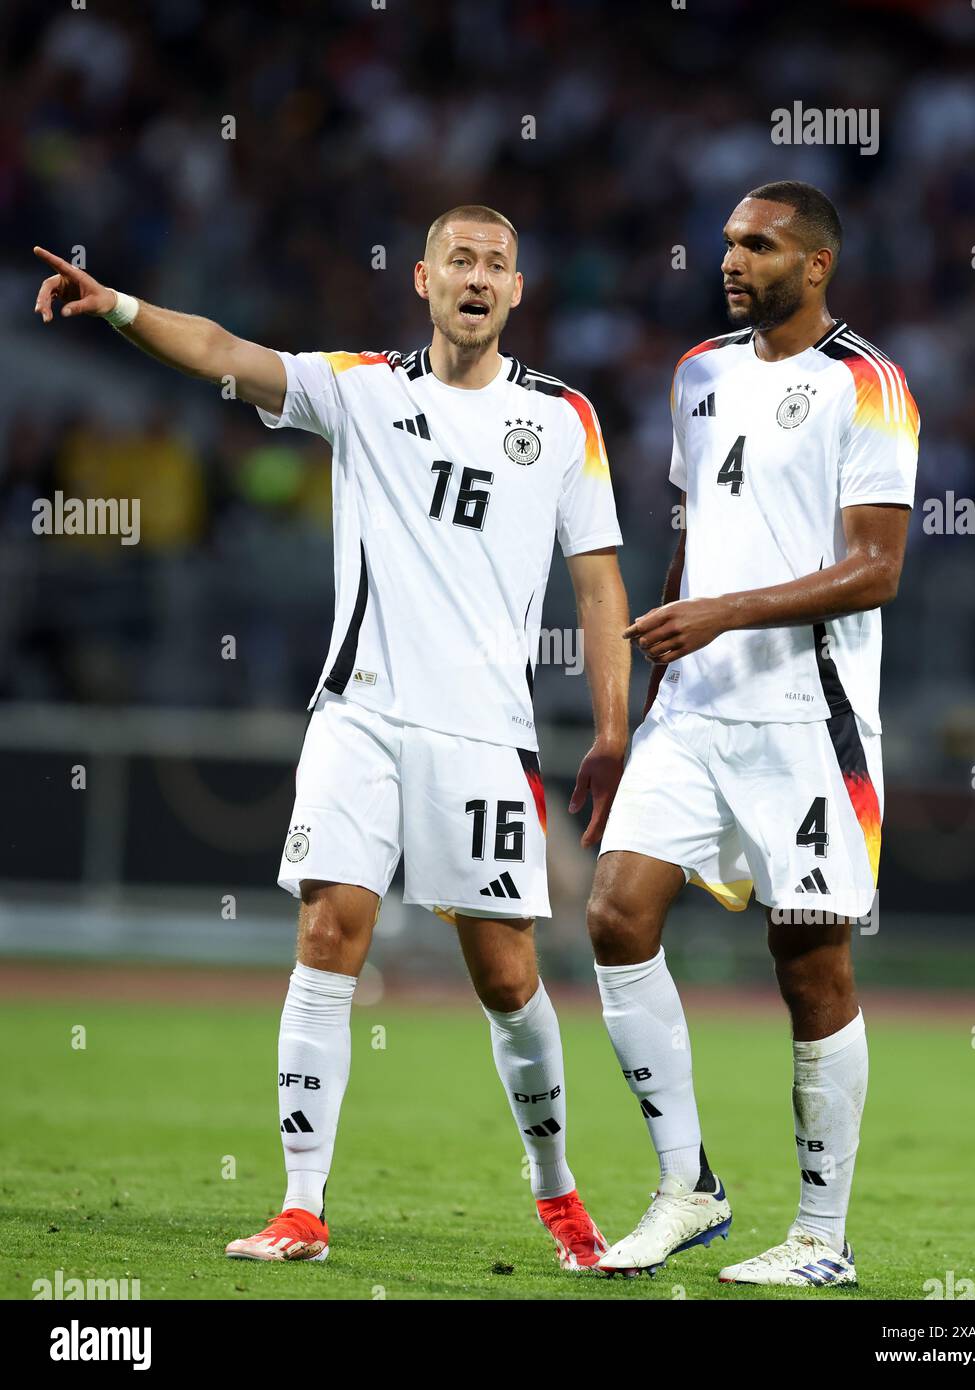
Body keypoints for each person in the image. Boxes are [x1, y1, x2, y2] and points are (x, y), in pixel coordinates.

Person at [32, 204, 630, 1270]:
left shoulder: (564, 420)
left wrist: (615, 728)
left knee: (505, 974)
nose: (478, 276)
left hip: (484, 736)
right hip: (358, 715)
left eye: (497, 262)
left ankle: (560, 1196)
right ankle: (302, 1208)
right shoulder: (362, 388)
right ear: (423, 279)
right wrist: (116, 304)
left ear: (519, 290)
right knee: (328, 936)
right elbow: (223, 352)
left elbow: (596, 587)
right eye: (460, 259)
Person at [587, 181, 919, 1285]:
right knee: (615, 914)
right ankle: (688, 1186)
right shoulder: (697, 374)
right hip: (691, 711)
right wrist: (637, 710)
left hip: (805, 723)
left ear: (814, 263)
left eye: (759, 245)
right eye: (729, 241)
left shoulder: (867, 386)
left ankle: (821, 1238)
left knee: (809, 959)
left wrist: (721, 612)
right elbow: (697, 547)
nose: (732, 259)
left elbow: (876, 569)